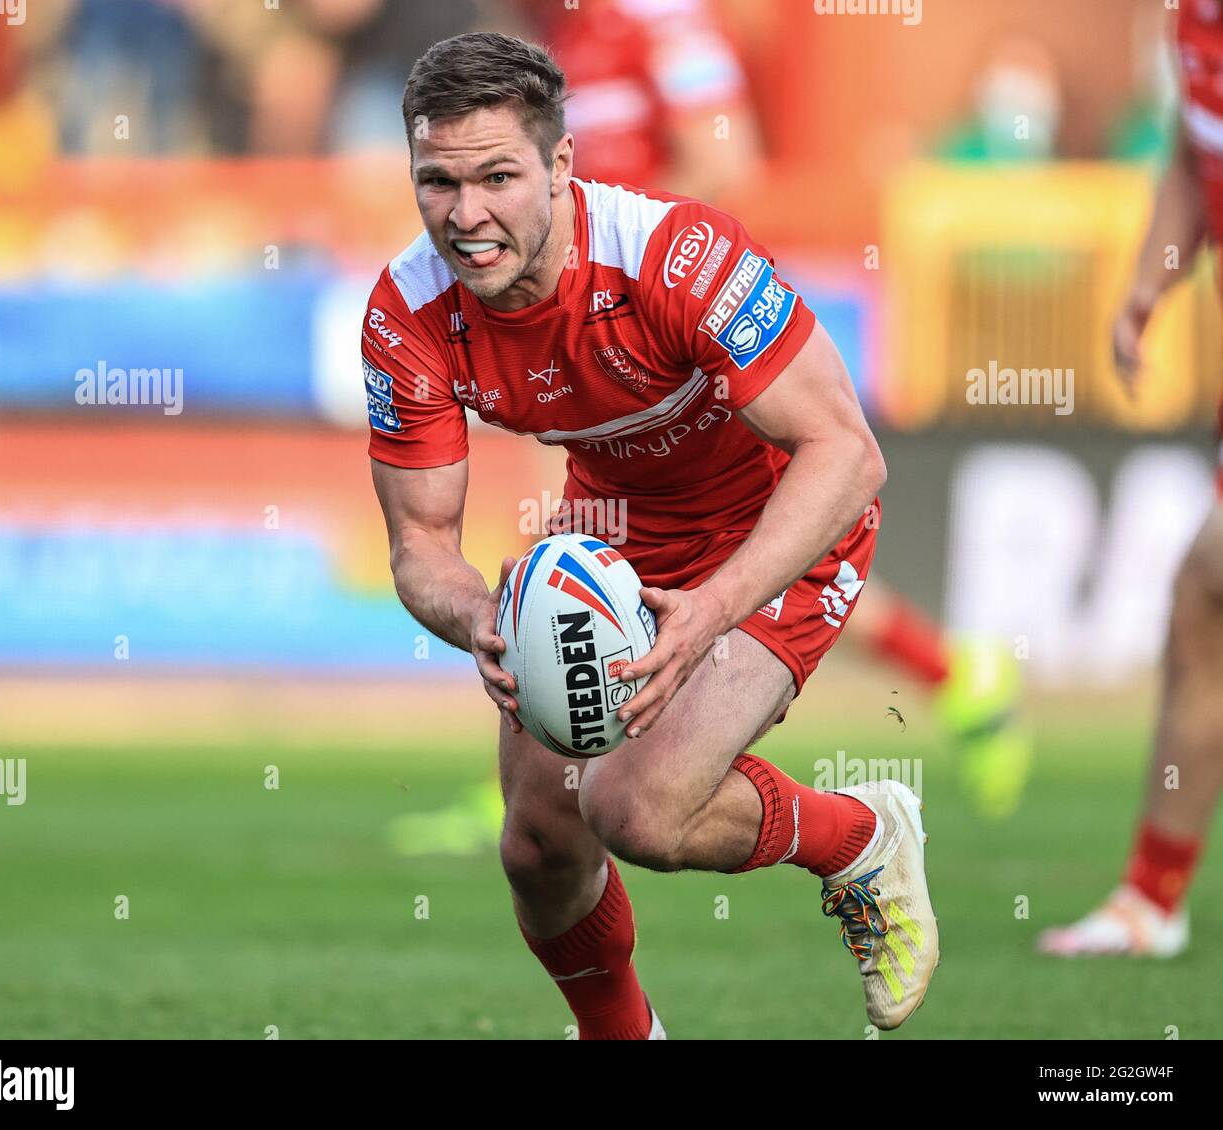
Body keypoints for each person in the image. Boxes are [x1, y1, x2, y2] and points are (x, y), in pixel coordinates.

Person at [364, 32, 938, 1037]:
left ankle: (859, 835)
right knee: (539, 843)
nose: (466, 214)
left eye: (498, 176)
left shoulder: (675, 256)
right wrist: (481, 617)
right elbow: (420, 543)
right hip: (616, 538)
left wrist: (714, 608)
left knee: (638, 812)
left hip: (787, 527)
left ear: (561, 166)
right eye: (437, 182)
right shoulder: (408, 311)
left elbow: (846, 453)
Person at [1038, 0, 1223, 958]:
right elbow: (1198, 156)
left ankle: (1153, 899)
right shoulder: (1192, 22)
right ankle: (1151, 900)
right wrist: (1154, 277)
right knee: (1206, 599)